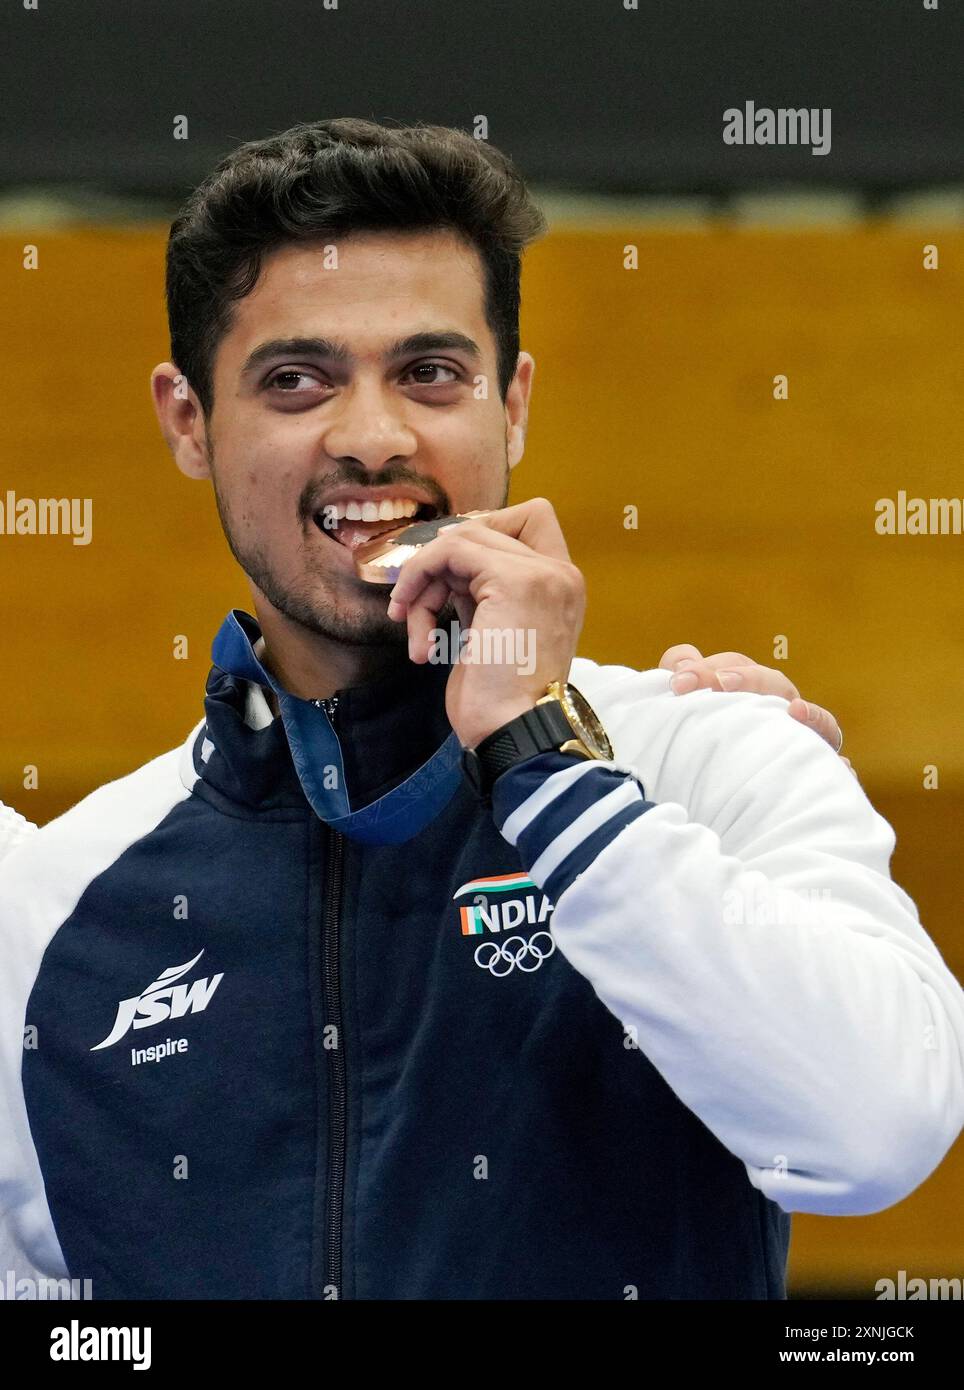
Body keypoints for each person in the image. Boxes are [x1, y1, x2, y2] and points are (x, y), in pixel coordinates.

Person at [1, 118, 961, 1301]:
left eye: (429, 373)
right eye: (296, 380)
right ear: (189, 420)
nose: (372, 437)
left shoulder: (706, 760)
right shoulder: (59, 899)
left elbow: (872, 1137)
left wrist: (545, 762)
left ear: (509, 406)